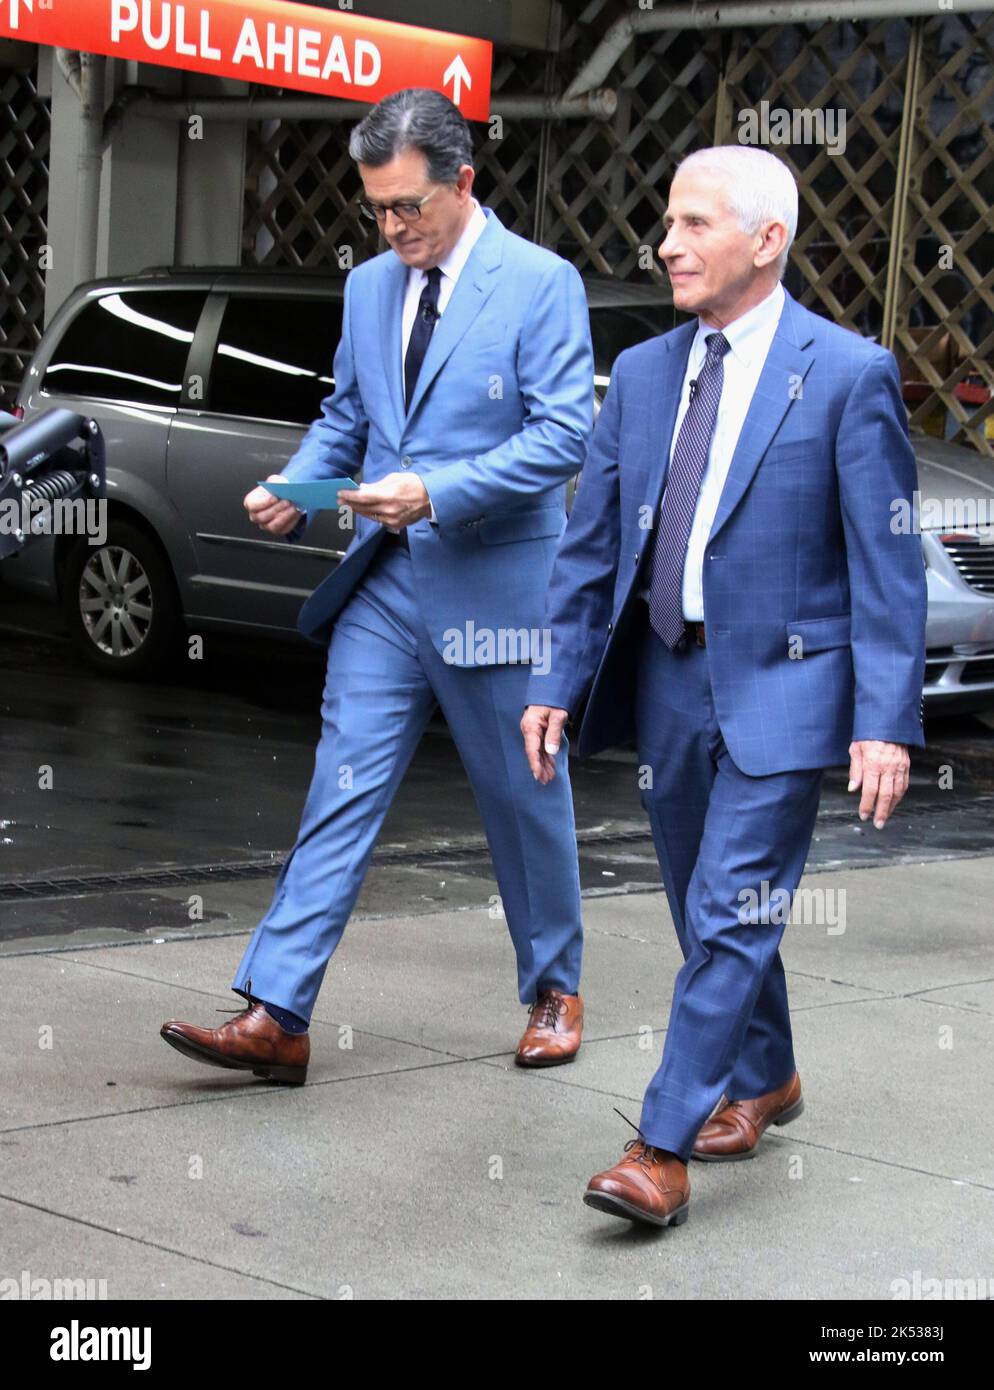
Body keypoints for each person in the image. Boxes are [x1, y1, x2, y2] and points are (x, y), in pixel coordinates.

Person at [522, 145, 927, 1228]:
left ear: (765, 240)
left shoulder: (845, 373)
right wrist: (556, 674)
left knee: (731, 907)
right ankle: (767, 1076)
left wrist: (882, 722)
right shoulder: (648, 373)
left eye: (694, 224)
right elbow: (590, 543)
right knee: (718, 911)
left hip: (788, 691)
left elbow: (887, 569)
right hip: (665, 679)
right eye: (666, 223)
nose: (667, 243)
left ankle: (657, 1147)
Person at [161, 88, 593, 1083]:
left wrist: (433, 492)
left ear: (463, 183)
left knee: (520, 794)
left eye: (410, 207)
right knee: (339, 785)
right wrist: (296, 483)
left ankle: (554, 988)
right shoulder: (367, 289)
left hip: (496, 588)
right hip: (382, 585)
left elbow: (561, 437)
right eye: (378, 209)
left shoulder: (539, 284)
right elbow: (349, 415)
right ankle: (278, 1011)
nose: (394, 226)